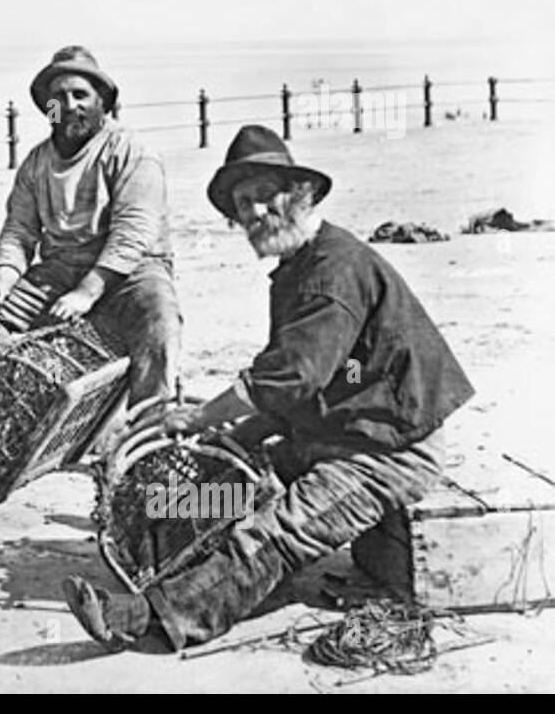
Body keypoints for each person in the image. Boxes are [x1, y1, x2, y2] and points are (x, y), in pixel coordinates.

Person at [62, 124, 476, 651]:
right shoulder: (300, 266)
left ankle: (153, 618)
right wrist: (240, 435)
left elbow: (290, 377)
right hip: (346, 426)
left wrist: (194, 419)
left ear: (300, 194)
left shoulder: (333, 272)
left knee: (277, 529)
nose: (254, 213)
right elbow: (310, 383)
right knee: (230, 478)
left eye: (265, 196)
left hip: (391, 450)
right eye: (242, 204)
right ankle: (158, 553)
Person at [0, 45, 181, 402]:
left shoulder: (131, 151)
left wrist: (87, 292)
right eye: (59, 96)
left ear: (102, 103)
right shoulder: (35, 163)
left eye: (81, 95)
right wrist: (5, 276)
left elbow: (133, 232)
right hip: (61, 268)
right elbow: (19, 229)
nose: (70, 104)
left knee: (159, 315)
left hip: (132, 270)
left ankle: (150, 425)